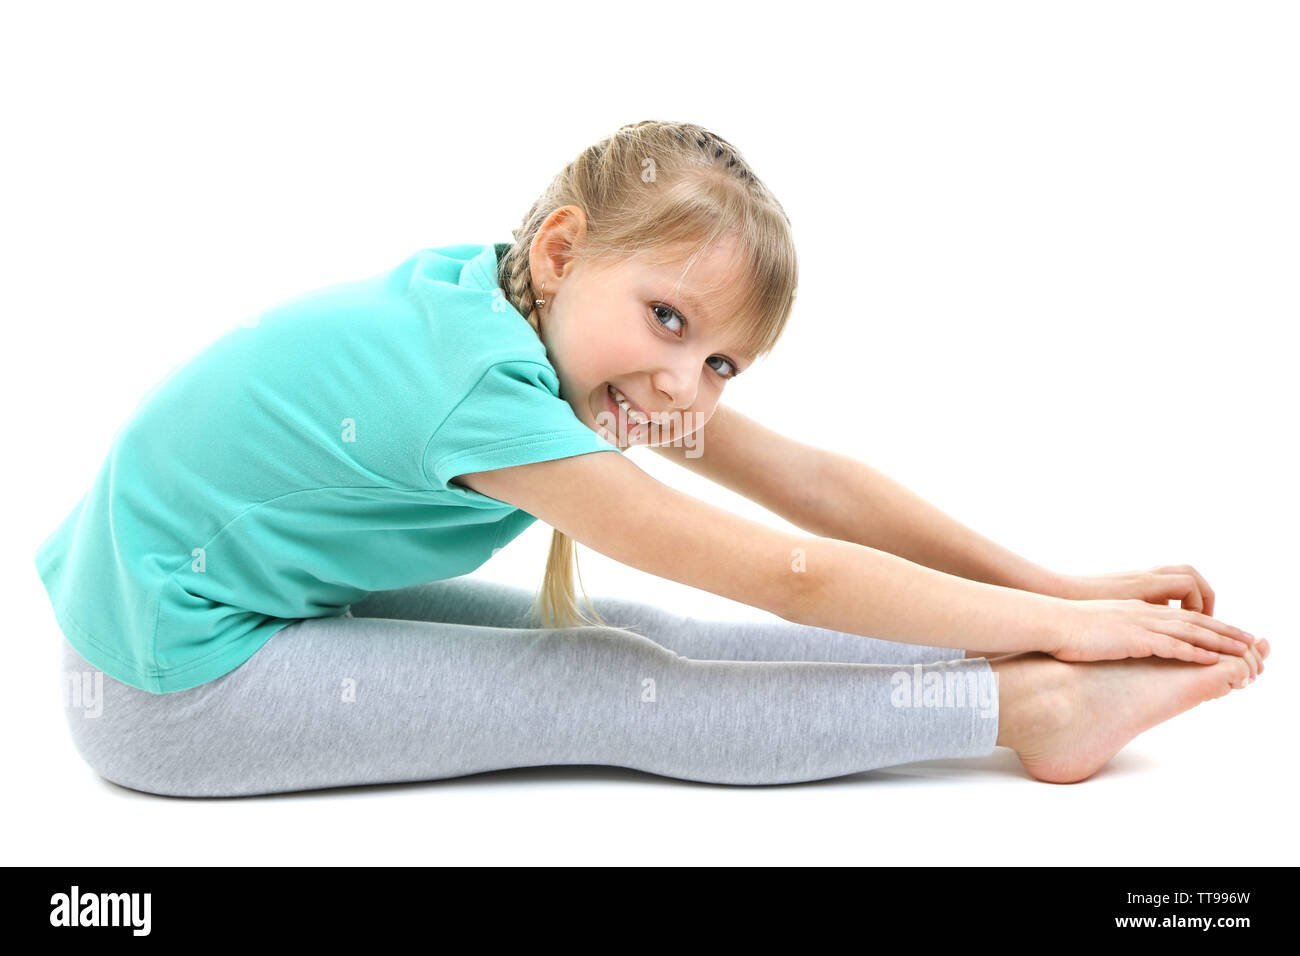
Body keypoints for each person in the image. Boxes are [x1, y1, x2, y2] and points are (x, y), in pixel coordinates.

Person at [39, 120, 1267, 798]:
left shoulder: (526, 307)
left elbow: (813, 489)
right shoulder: (481, 388)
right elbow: (785, 570)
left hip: (265, 599)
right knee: (613, 679)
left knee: (610, 613)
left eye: (723, 362)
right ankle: (1023, 705)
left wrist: (1056, 594)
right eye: (671, 321)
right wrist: (1058, 638)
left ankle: (1011, 666)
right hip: (172, 692)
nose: (683, 387)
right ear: (566, 247)